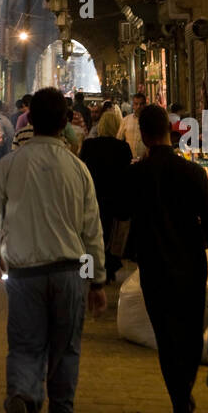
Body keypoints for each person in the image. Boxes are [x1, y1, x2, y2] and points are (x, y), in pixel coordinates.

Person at [0, 87, 107, 413]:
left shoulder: (10, 165)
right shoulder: (77, 169)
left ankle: (22, 399)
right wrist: (97, 280)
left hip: (25, 275)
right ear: (66, 122)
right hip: (69, 274)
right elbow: (92, 231)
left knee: (26, 346)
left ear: (29, 120)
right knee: (65, 353)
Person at [117, 104, 208, 413]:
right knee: (187, 335)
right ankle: (182, 401)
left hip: (154, 266)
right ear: (172, 132)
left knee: (166, 336)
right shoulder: (193, 174)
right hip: (190, 266)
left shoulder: (137, 174)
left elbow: (121, 210)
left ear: (142, 136)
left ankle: (180, 408)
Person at [80, 107, 133, 282]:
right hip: (115, 198)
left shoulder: (89, 145)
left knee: (91, 234)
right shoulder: (123, 148)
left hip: (92, 197)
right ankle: (108, 270)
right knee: (110, 235)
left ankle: (88, 271)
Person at [117, 91, 147, 161]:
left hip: (145, 161)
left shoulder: (150, 120)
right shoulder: (126, 120)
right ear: (133, 105)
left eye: (141, 104)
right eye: (136, 104)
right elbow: (119, 140)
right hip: (130, 160)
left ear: (145, 105)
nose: (139, 106)